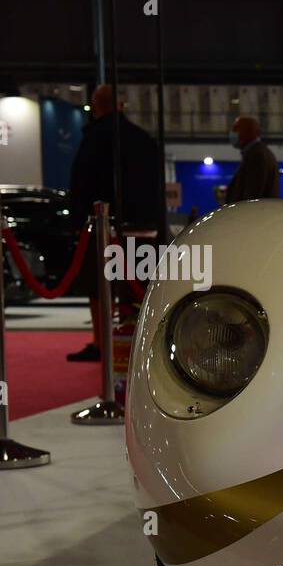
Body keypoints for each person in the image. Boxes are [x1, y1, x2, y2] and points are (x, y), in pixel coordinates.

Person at [66, 83, 162, 362]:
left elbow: (82, 183)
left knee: (99, 287)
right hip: (142, 227)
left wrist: (79, 221)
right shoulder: (143, 139)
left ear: (96, 107)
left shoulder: (94, 137)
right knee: (136, 287)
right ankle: (135, 338)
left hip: (102, 228)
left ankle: (101, 343)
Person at [224, 115, 280, 204]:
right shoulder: (257, 152)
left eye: (235, 130)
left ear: (247, 132)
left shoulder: (257, 155)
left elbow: (252, 196)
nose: (232, 133)